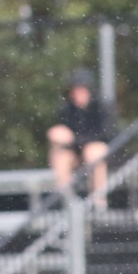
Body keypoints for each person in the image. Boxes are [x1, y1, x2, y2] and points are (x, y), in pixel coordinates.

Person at [48, 71, 112, 202]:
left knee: (94, 152)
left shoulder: (102, 107)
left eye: (81, 90)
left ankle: (99, 202)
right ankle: (66, 201)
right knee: (60, 156)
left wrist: (74, 139)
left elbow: (105, 135)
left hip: (102, 155)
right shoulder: (68, 109)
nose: (77, 95)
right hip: (77, 154)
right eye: (75, 91)